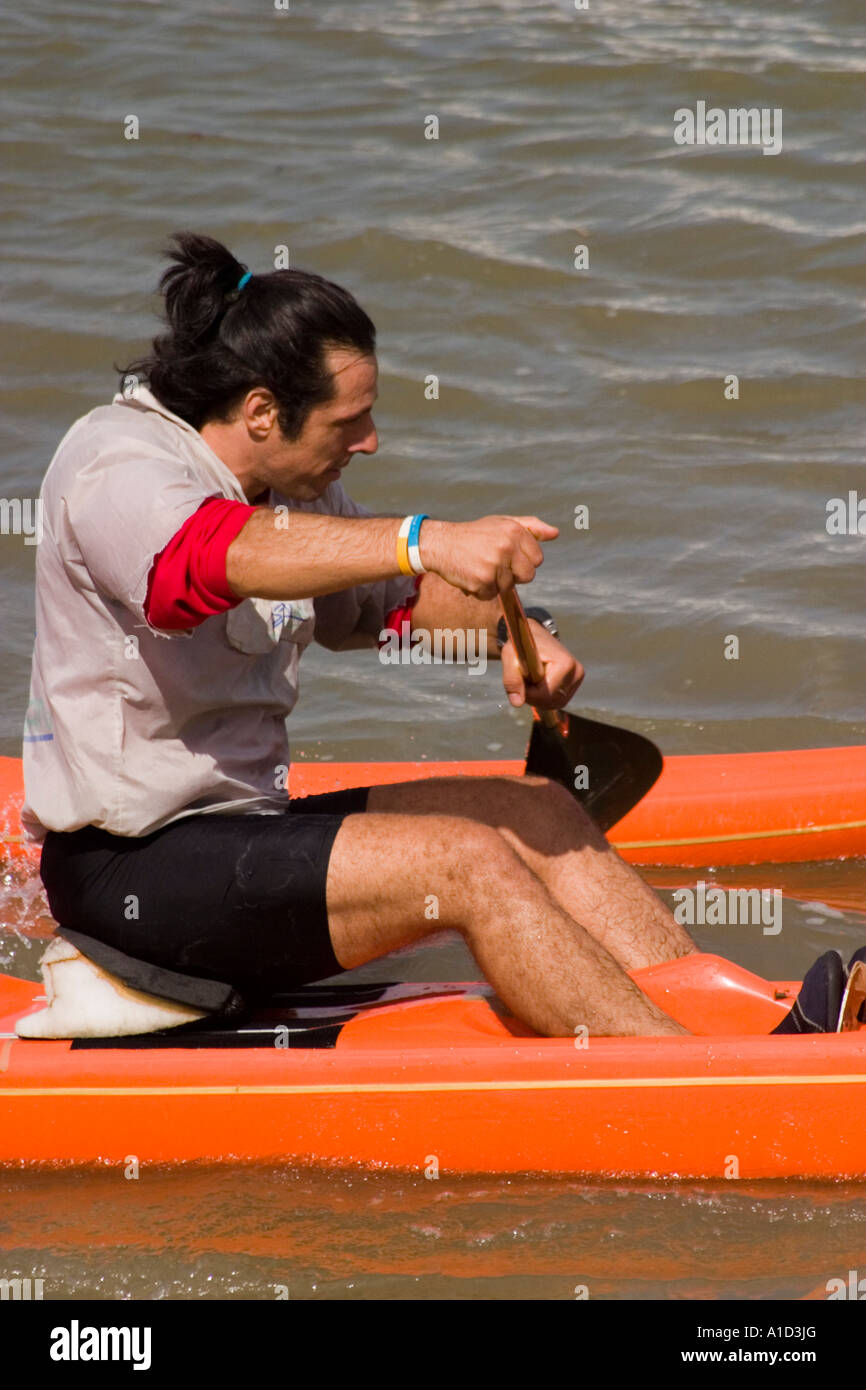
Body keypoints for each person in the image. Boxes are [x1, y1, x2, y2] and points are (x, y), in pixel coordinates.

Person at [18, 232, 843, 1041]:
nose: (369, 441)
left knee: (535, 811)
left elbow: (388, 603)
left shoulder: (285, 485)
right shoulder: (115, 464)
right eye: (350, 422)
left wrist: (519, 635)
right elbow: (200, 565)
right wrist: (424, 534)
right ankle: (676, 1076)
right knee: (468, 862)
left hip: (244, 834)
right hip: (131, 869)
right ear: (263, 411)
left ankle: (729, 1035)